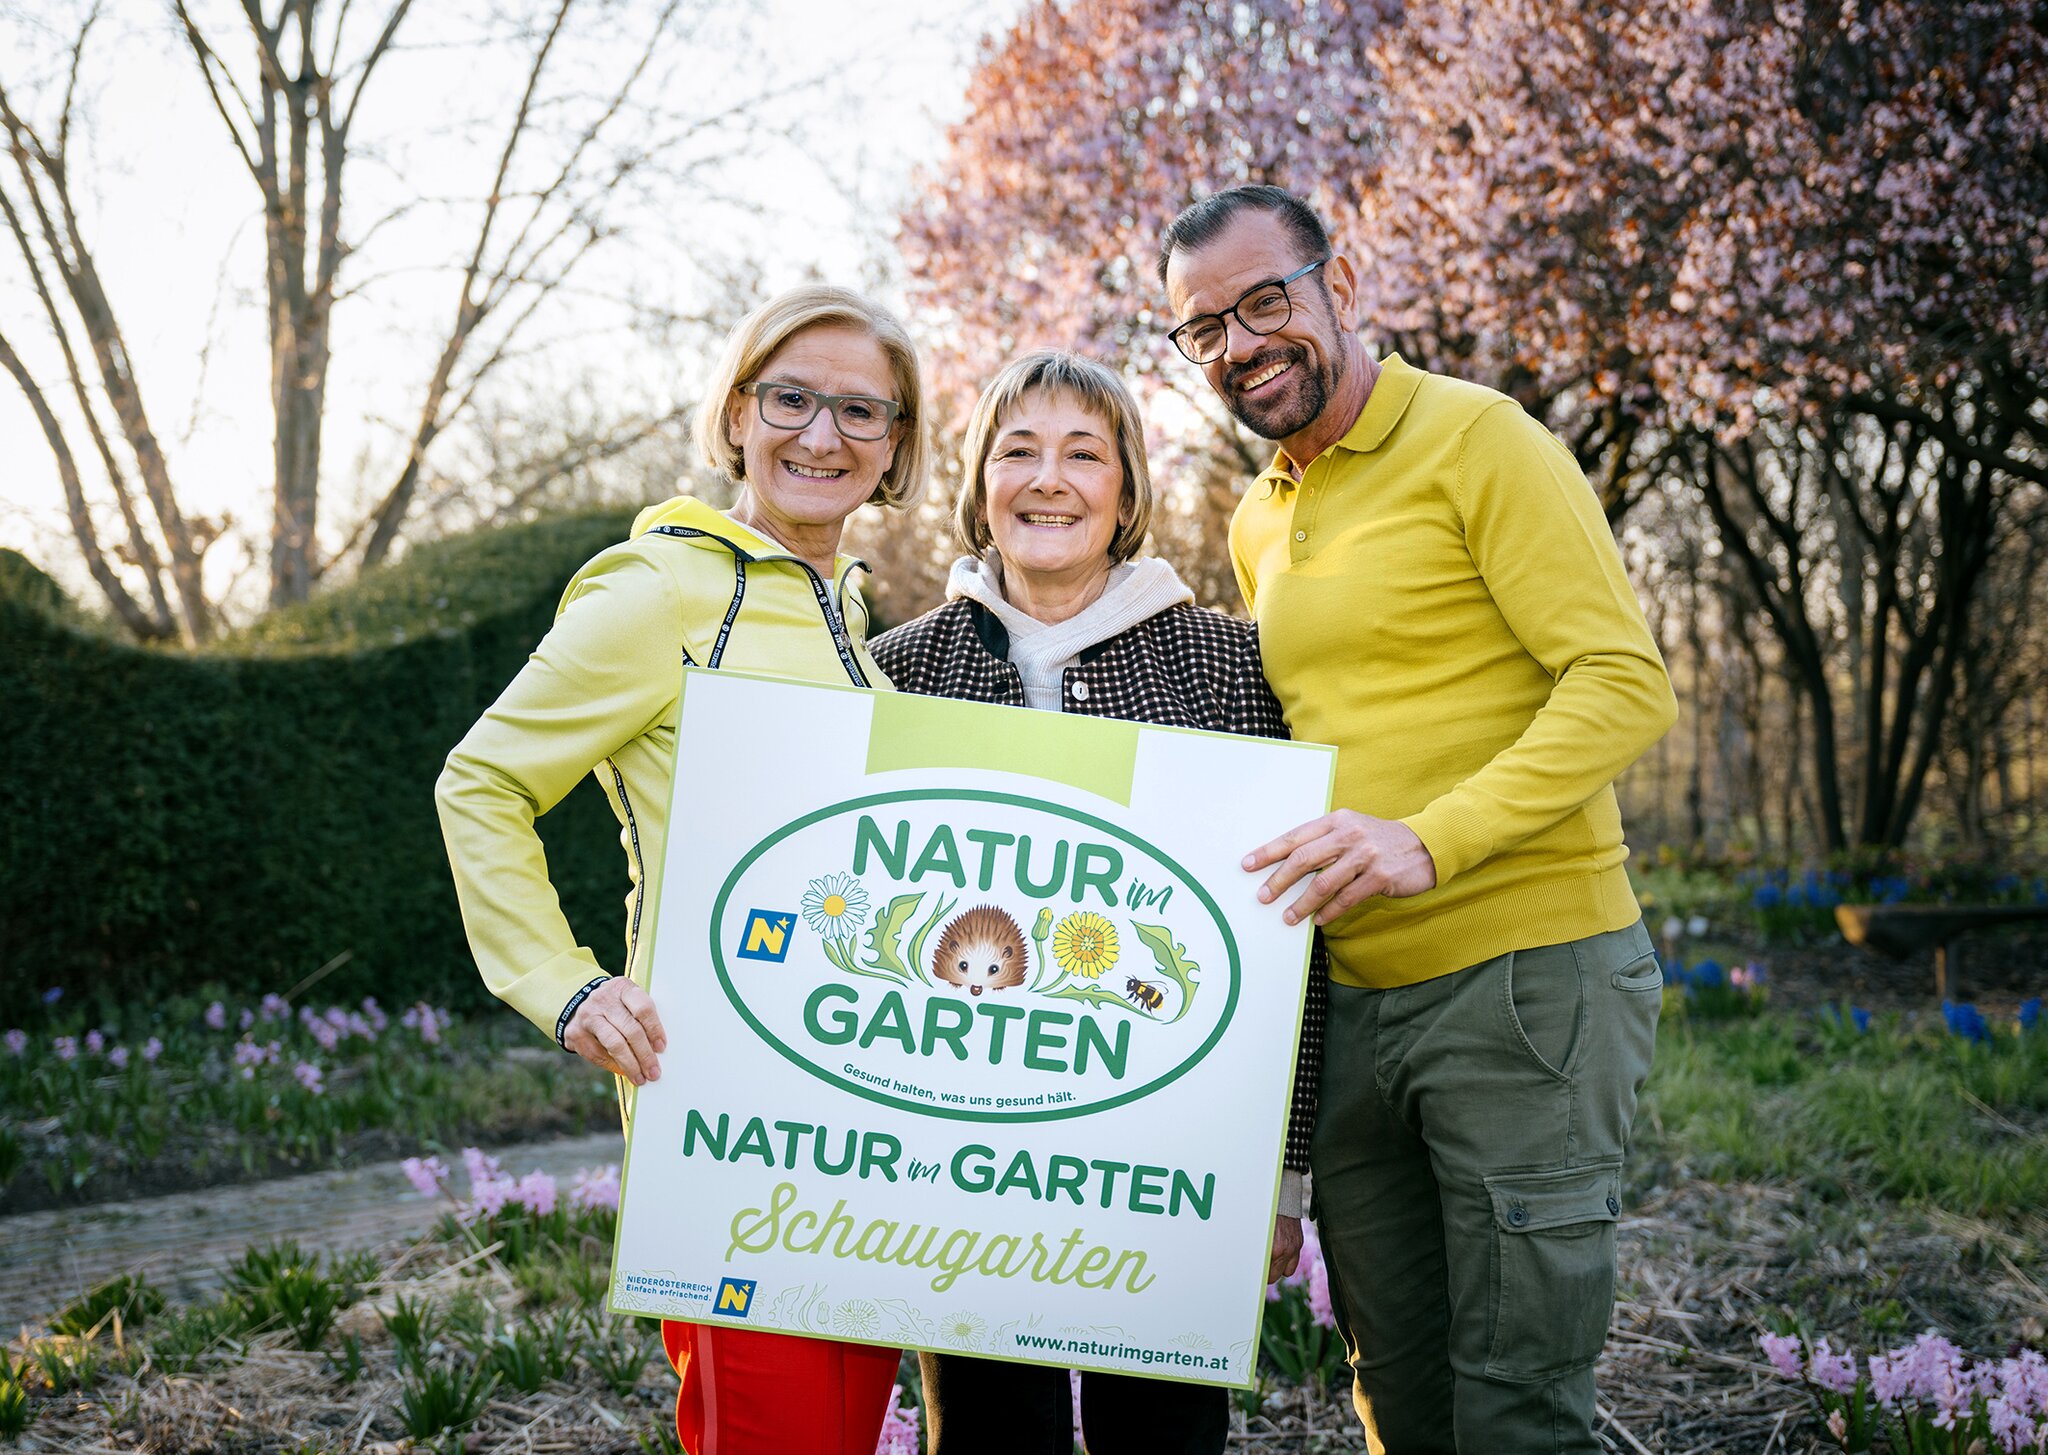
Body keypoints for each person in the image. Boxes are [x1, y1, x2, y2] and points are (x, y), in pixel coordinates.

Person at [1156, 186, 1677, 1453]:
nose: (1240, 343)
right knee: (1397, 1390)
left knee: (1515, 1402)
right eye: (1203, 329)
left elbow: (1621, 684)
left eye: (1262, 300)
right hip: (1354, 1008)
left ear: (1339, 282)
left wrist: (1426, 836)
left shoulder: (1478, 440)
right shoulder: (1256, 516)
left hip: (1522, 987)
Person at [435, 285, 928, 1455]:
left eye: (862, 411)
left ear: (898, 445)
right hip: (726, 1103)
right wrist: (564, 985)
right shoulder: (658, 591)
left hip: (857, 1105)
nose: (822, 436)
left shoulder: (852, 622)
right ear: (735, 415)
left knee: (841, 1431)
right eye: (791, 399)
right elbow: (482, 782)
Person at [871, 348, 1327, 1455]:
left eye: (1083, 452)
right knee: (985, 1431)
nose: (1048, 479)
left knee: (1161, 1432)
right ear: (979, 480)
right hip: (959, 1158)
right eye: (1017, 450)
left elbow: (1286, 936)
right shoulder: (895, 673)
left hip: (1169, 1152)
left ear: (1125, 488)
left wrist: (1280, 1170)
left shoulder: (1227, 668)